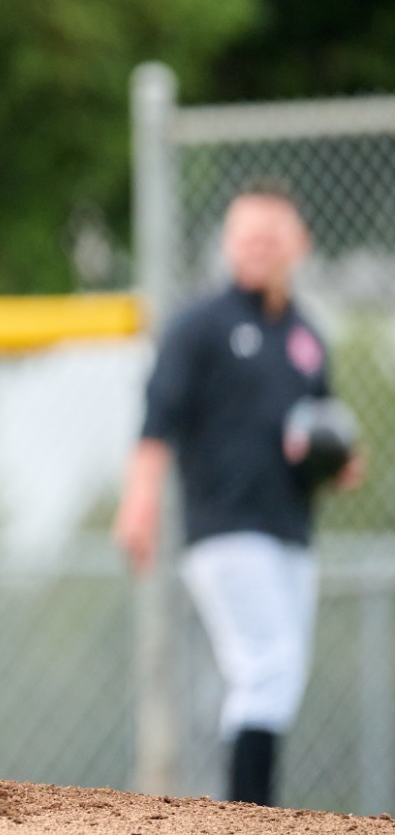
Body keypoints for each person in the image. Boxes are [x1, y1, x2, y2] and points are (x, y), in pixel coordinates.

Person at [113, 184, 365, 805]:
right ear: (227, 244)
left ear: (298, 244)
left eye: (270, 236)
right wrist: (139, 500)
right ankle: (250, 814)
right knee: (267, 665)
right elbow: (157, 421)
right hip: (225, 528)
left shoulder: (307, 337)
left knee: (281, 673)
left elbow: (316, 427)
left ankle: (249, 811)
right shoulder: (199, 326)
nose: (257, 247)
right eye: (245, 236)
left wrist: (338, 464)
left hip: (290, 529)